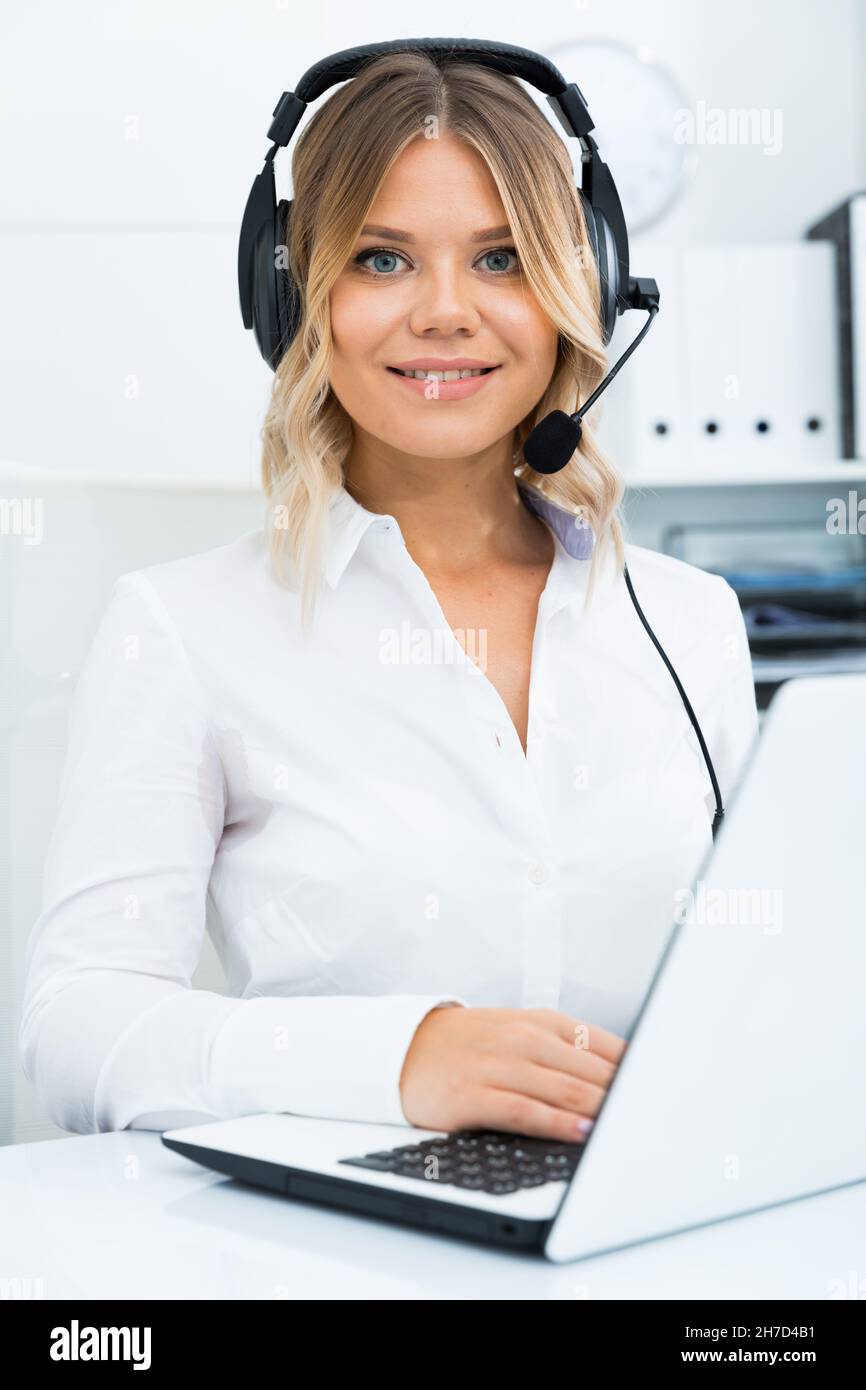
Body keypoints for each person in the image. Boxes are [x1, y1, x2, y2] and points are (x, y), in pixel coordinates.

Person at [18, 51, 759, 1142]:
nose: (446, 312)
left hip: (641, 1231)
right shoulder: (183, 627)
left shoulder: (688, 621)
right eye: (382, 259)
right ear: (292, 295)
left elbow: (764, 988)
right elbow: (74, 1027)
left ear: (580, 285)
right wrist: (396, 1056)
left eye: (500, 258)